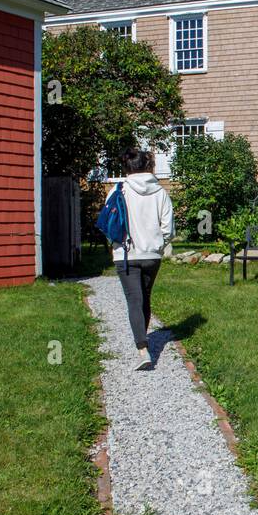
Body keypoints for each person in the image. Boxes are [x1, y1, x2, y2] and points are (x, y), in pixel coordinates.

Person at [112, 147, 174, 370]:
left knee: (134, 300)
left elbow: (108, 223)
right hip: (151, 255)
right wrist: (158, 244)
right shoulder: (160, 193)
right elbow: (168, 229)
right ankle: (143, 341)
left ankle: (142, 349)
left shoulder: (118, 190)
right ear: (147, 165)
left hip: (125, 255)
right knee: (144, 297)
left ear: (127, 166)